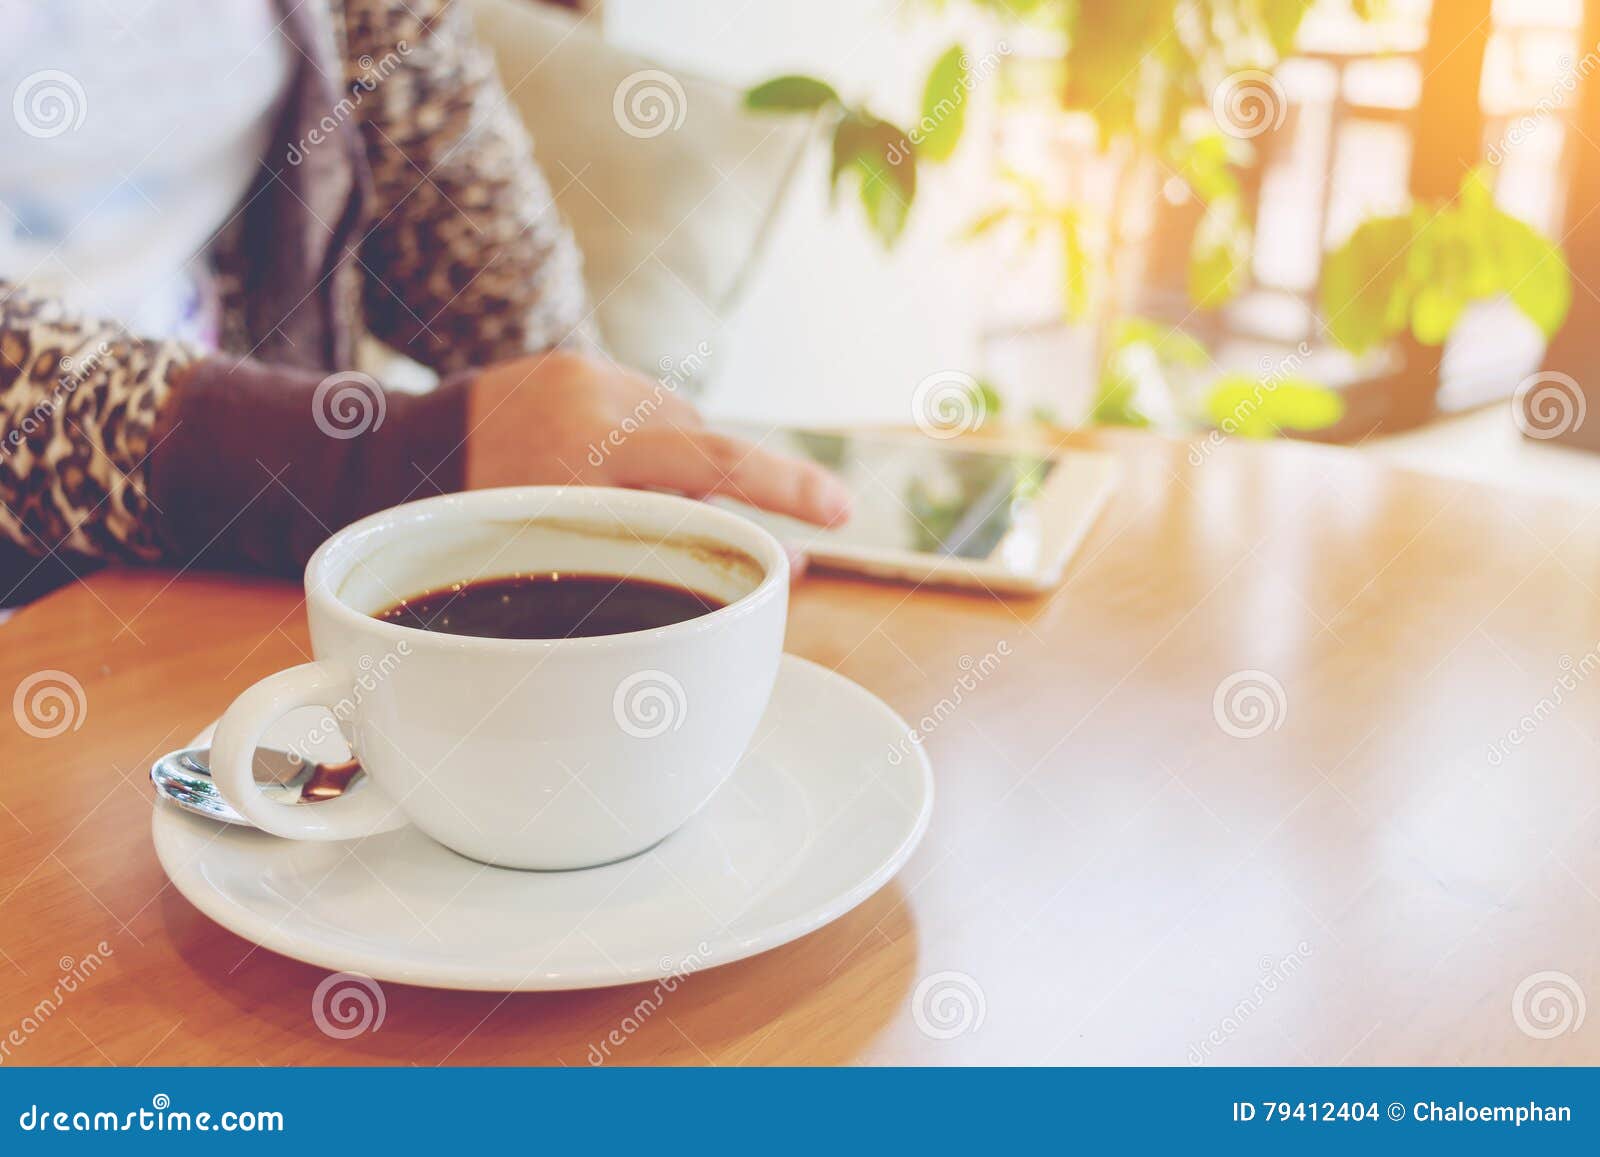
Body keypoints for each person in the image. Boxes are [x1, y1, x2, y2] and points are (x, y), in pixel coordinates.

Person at [0, 0, 848, 607]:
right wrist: (394, 457)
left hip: (232, 553)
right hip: (137, 528)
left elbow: (456, 189)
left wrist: (596, 441)